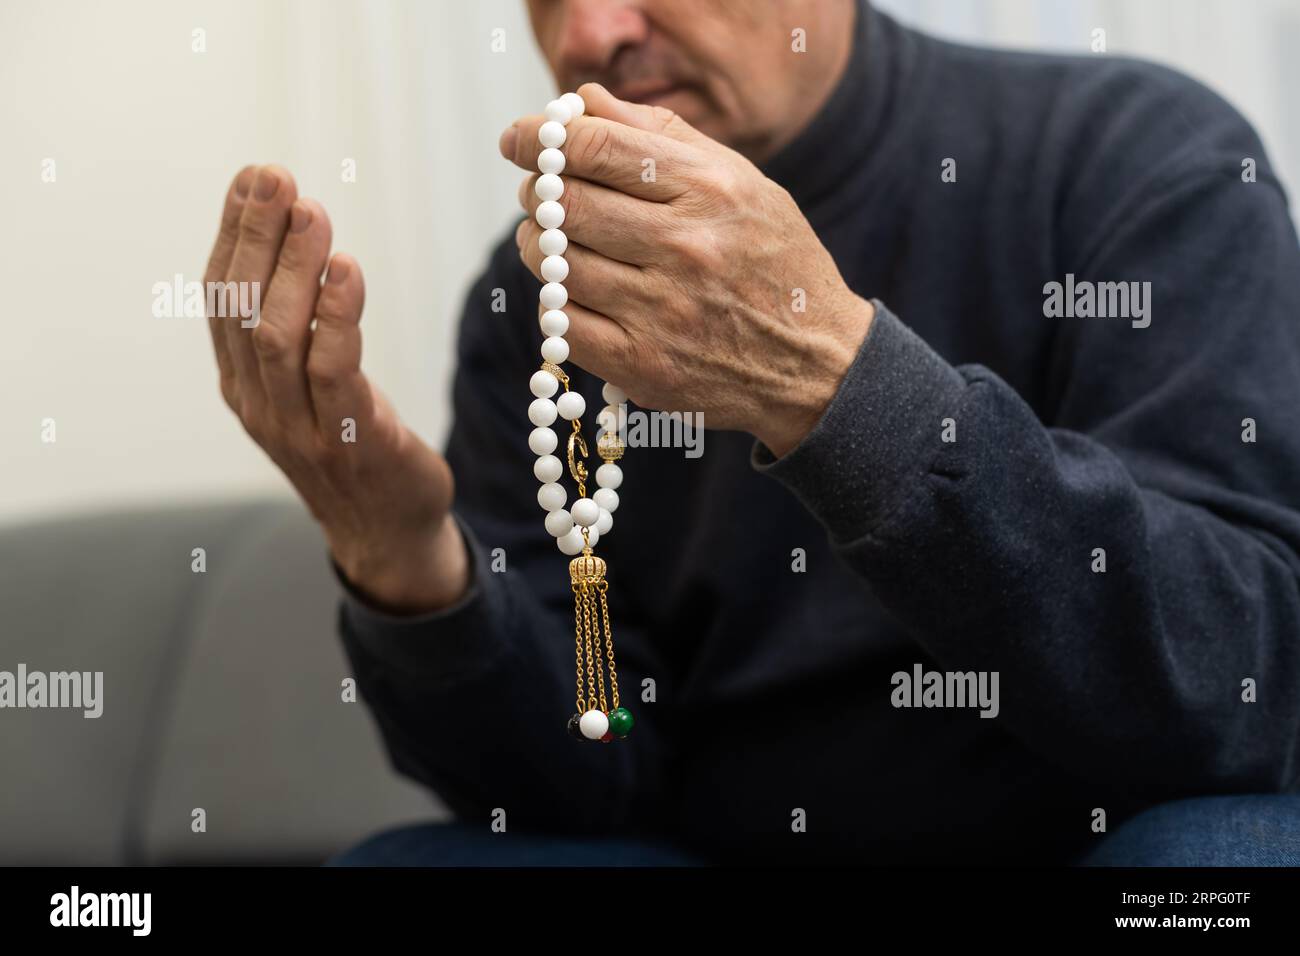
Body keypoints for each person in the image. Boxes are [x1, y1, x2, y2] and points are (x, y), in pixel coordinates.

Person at [203, 0, 1300, 865]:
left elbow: (1234, 683)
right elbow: (579, 775)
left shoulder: (1135, 150)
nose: (587, 34)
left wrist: (831, 380)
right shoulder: (541, 290)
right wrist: (405, 562)